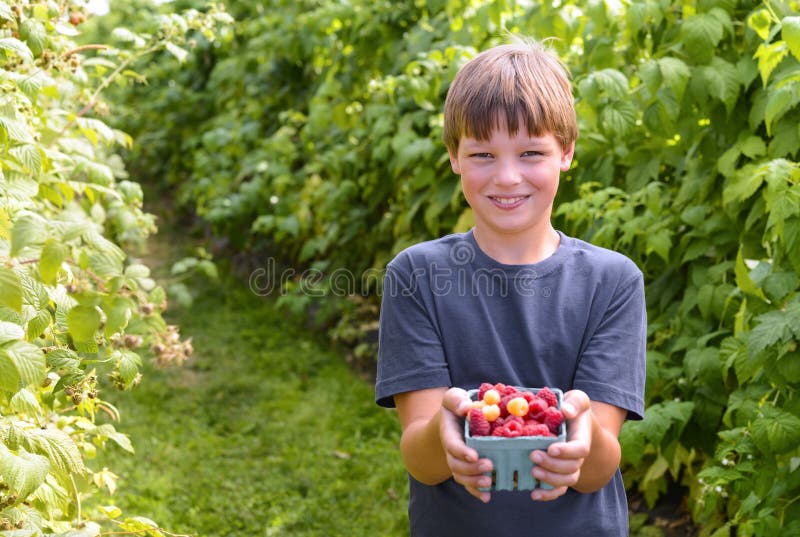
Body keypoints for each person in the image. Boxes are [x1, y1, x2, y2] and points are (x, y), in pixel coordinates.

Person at [375, 37, 646, 536]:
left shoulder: (613, 282)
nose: (506, 177)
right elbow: (422, 458)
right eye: (481, 153)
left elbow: (598, 468)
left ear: (566, 152)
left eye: (530, 152)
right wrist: (446, 429)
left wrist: (582, 434)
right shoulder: (415, 276)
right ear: (453, 156)